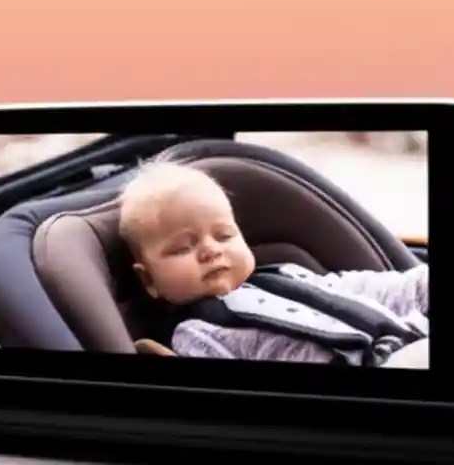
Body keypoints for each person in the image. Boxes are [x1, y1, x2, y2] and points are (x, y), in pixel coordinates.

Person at [118, 157, 429, 367]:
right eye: (183, 248)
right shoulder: (195, 334)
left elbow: (368, 291)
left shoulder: (288, 275)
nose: (210, 250)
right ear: (149, 280)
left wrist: (420, 284)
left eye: (224, 235)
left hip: (409, 341)